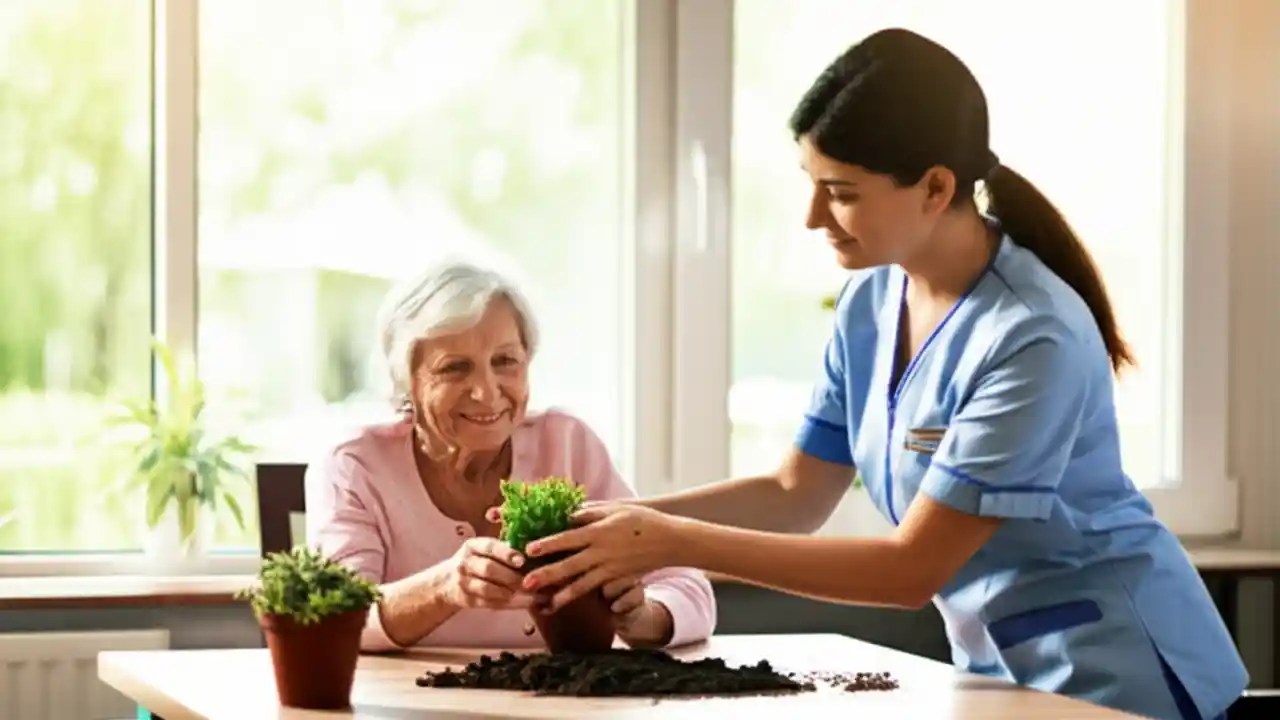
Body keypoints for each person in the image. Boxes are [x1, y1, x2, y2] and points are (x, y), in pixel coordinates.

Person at [509, 28, 1246, 720]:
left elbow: (907, 572)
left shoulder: (1032, 336)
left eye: (842, 191)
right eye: (811, 181)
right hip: (994, 675)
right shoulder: (870, 302)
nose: (811, 216)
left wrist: (669, 542)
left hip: (1118, 674)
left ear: (933, 187)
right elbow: (795, 494)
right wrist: (606, 528)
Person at [305, 258, 715, 652]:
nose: (486, 391)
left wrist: (642, 618)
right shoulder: (355, 465)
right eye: (454, 368)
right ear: (406, 380)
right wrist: (446, 586)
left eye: (505, 362)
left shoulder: (568, 444)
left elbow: (688, 587)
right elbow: (336, 618)